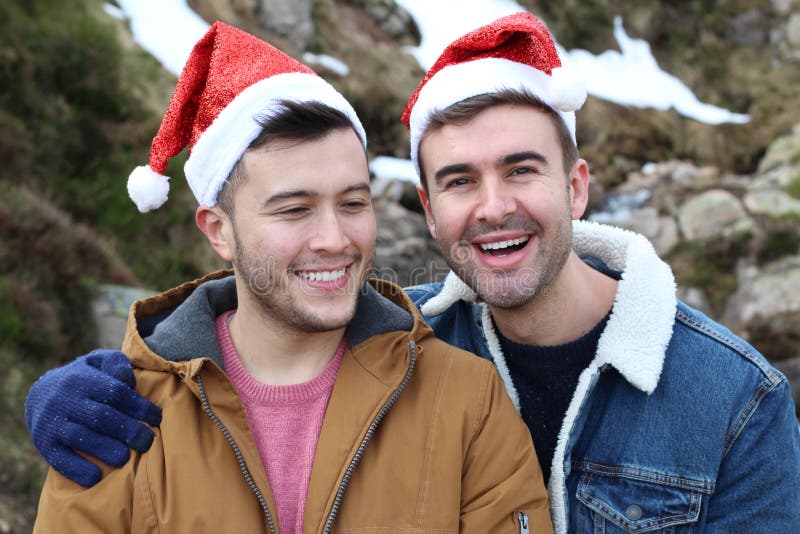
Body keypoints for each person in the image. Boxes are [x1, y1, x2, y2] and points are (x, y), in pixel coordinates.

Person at [26, 12, 800, 534]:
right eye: (460, 181)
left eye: (522, 169)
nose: (493, 207)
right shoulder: (406, 335)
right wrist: (65, 392)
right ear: (428, 210)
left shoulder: (736, 400)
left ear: (576, 187)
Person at [29, 21, 552, 534]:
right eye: (294, 209)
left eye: (353, 203)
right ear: (219, 231)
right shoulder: (113, 418)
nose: (333, 239)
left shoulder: (466, 399)